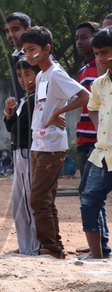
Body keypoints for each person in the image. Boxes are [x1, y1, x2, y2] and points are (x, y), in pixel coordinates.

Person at [22, 26, 89, 259]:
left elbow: (84, 96)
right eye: (25, 51)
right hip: (38, 144)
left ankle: (50, 247)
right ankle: (54, 247)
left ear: (47, 49)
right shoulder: (40, 76)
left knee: (38, 199)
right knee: (45, 199)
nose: (29, 55)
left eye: (33, 50)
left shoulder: (56, 73)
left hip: (52, 146)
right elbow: (44, 105)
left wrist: (59, 112)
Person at [79, 26, 112, 259]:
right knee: (89, 200)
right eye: (98, 53)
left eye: (105, 52)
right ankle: (97, 255)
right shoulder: (99, 84)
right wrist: (103, 129)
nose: (101, 58)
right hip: (103, 152)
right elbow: (93, 108)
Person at [3, 57, 41, 255]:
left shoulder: (37, 99)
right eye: (19, 75)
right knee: (19, 201)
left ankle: (34, 247)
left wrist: (13, 119)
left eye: (27, 74)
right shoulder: (26, 99)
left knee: (28, 202)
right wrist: (9, 113)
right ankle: (26, 246)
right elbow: (12, 128)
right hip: (19, 151)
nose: (23, 79)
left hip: (29, 152)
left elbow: (20, 128)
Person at [74, 21, 101, 176]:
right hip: (83, 137)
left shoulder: (103, 69)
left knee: (91, 191)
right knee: (85, 189)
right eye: (77, 38)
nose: (79, 42)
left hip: (98, 137)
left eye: (84, 37)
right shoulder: (83, 70)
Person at [4, 12, 32, 100]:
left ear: (28, 30)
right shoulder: (17, 56)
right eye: (7, 31)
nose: (10, 34)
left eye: (15, 29)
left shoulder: (36, 57)